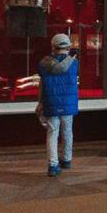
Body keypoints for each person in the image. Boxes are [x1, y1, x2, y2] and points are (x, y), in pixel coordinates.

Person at [36, 32, 79, 177]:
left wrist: (40, 103)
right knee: (67, 132)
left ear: (53, 46)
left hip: (51, 102)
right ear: (68, 47)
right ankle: (66, 159)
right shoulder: (74, 64)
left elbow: (41, 85)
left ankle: (53, 165)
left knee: (52, 133)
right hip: (68, 103)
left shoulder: (43, 64)